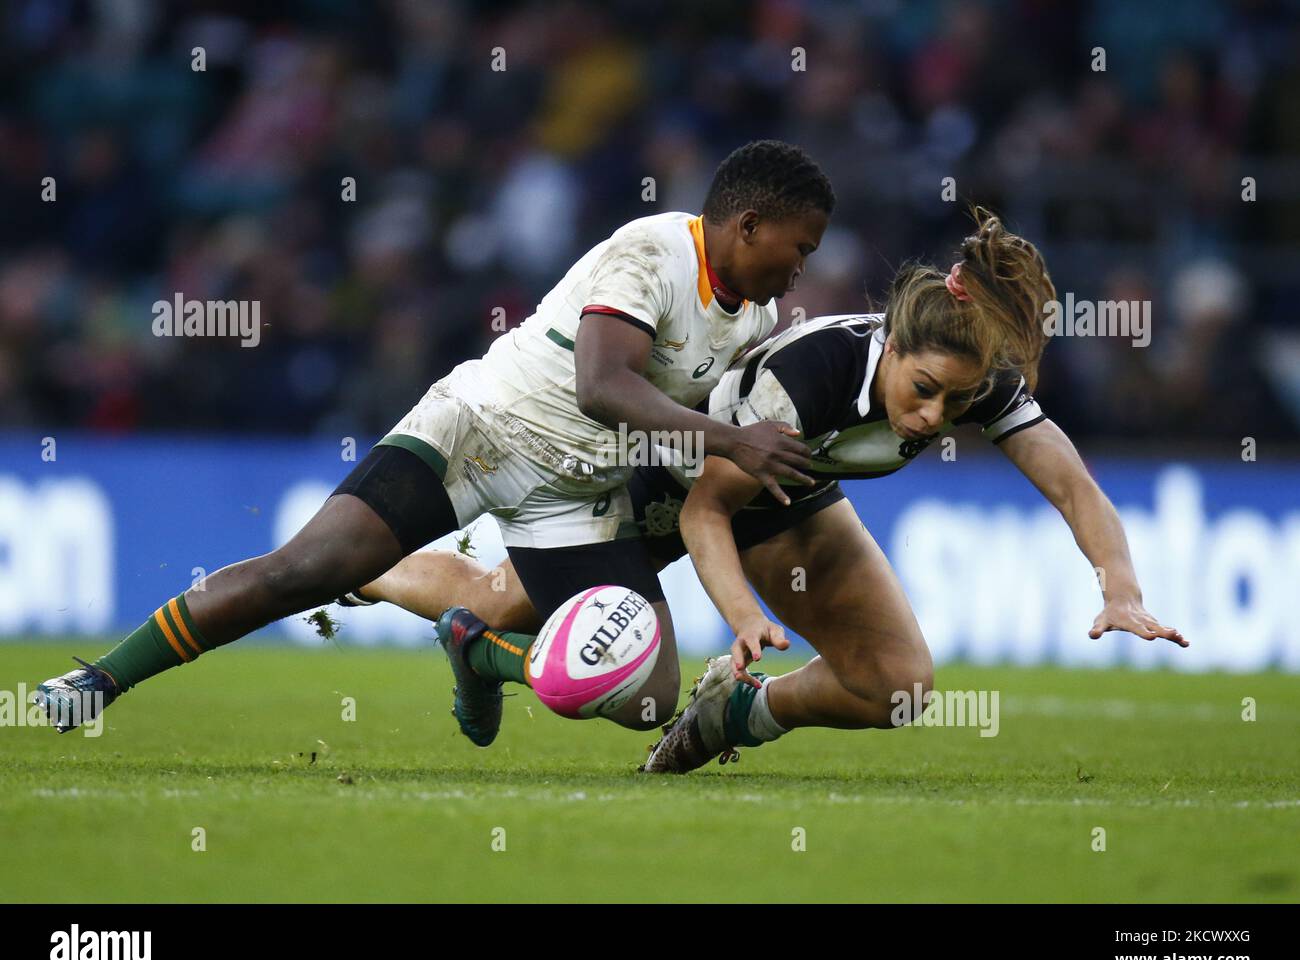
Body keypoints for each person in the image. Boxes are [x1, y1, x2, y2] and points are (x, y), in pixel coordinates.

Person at [34, 140, 835, 741]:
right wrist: (733, 441)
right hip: (481, 430)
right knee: (303, 572)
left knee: (651, 695)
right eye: (799, 247)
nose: (802, 268)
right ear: (750, 223)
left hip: (576, 498)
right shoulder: (654, 251)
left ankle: (480, 647)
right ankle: (102, 677)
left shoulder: (755, 319)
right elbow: (603, 383)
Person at [339, 209, 1187, 770]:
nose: (935, 417)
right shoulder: (809, 374)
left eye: (957, 402)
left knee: (898, 686)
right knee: (497, 607)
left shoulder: (976, 381)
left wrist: (1120, 587)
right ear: (890, 343)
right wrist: (747, 617)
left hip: (785, 493)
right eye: (924, 389)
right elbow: (707, 506)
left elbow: (1074, 487)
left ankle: (730, 717)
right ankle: (364, 570)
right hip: (655, 481)